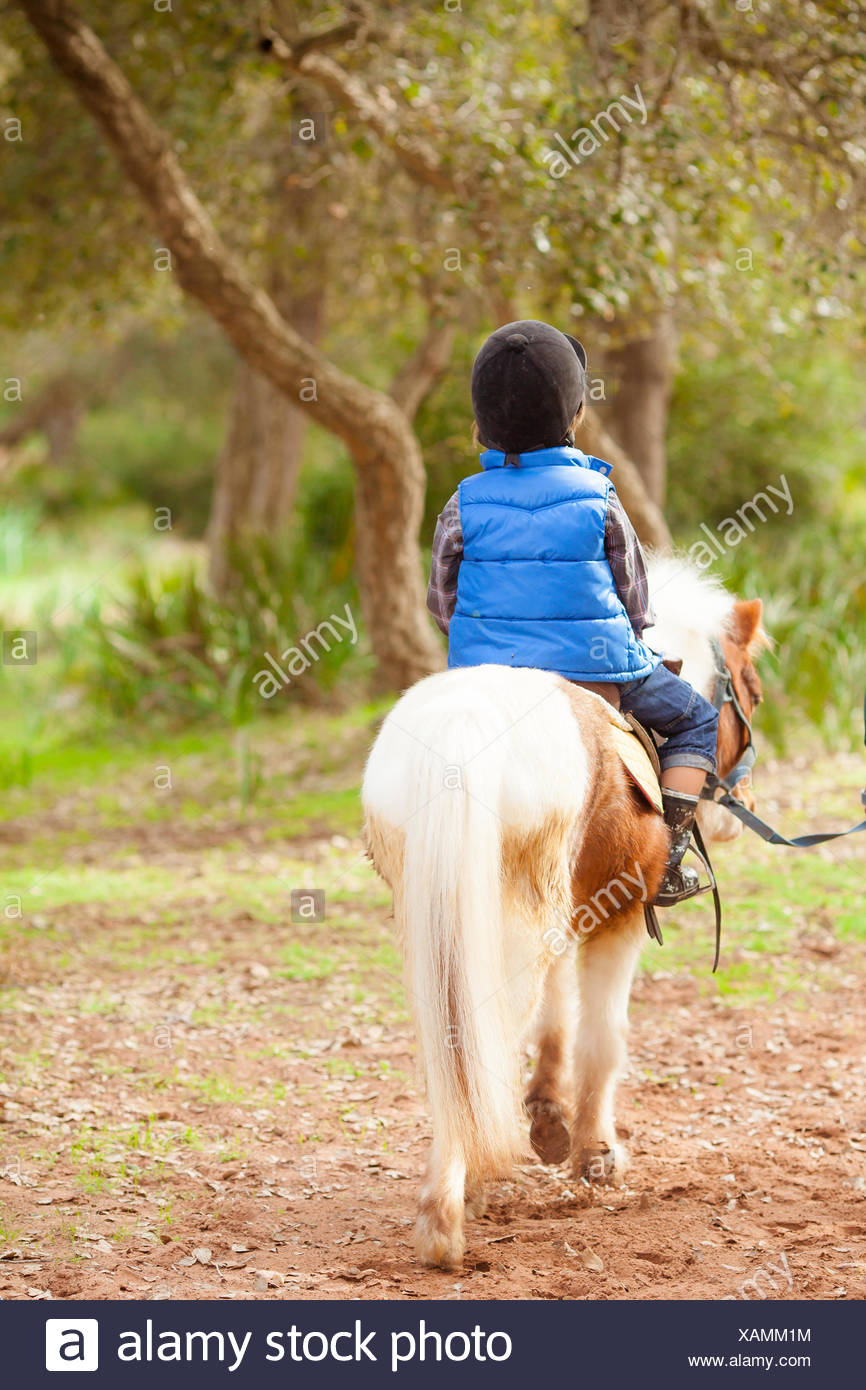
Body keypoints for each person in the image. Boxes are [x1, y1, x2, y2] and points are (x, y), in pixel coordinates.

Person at [426, 319, 719, 906]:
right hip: (596, 669)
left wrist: (486, 642)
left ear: (480, 424)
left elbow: (441, 601)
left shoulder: (463, 502)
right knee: (697, 720)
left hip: (487, 674)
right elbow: (635, 599)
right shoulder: (599, 496)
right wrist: (636, 643)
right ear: (576, 416)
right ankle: (670, 860)